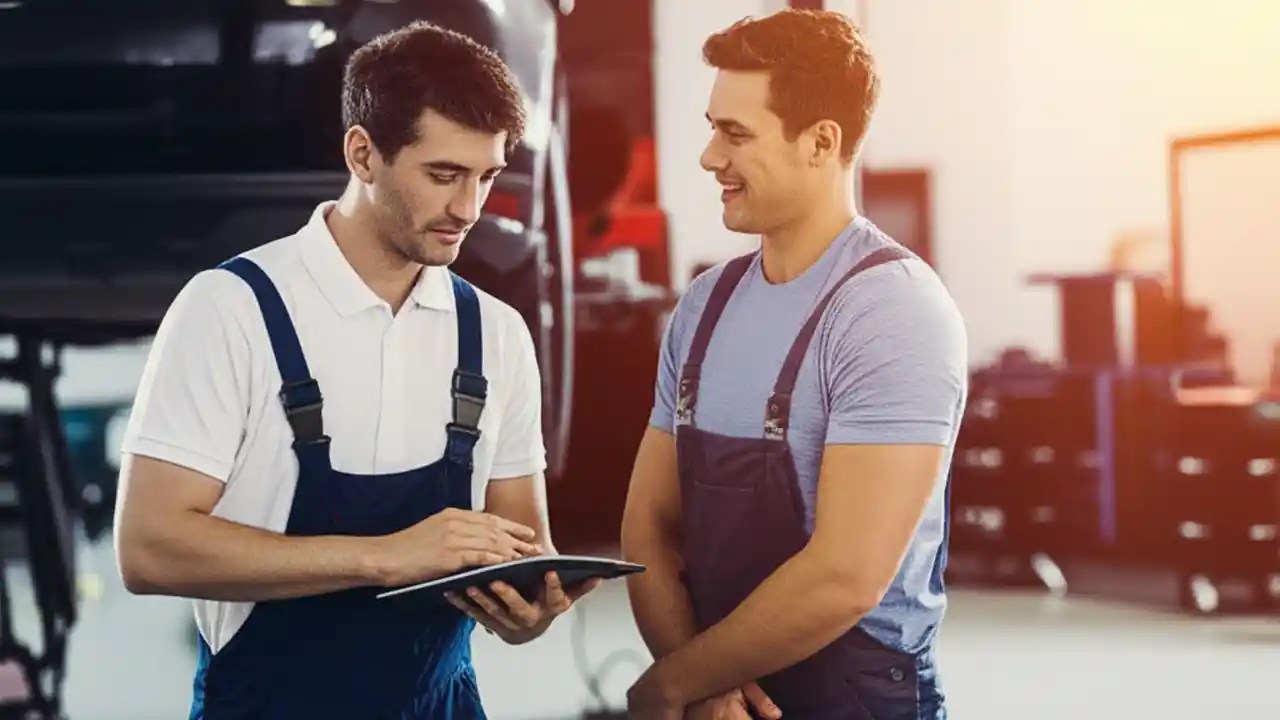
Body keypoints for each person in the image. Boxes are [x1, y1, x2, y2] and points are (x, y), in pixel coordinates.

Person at [113, 21, 597, 718]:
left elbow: (524, 544)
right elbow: (150, 549)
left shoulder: (494, 334)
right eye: (443, 175)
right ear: (363, 154)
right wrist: (383, 556)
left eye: (486, 177)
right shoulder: (231, 310)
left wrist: (528, 613)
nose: (469, 209)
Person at [620, 9, 967, 720]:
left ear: (821, 143)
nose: (709, 157)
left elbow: (846, 576)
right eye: (712, 127)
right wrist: (704, 682)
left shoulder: (890, 312)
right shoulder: (704, 307)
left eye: (736, 134)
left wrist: (676, 684)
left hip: (855, 698)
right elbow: (647, 526)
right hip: (718, 684)